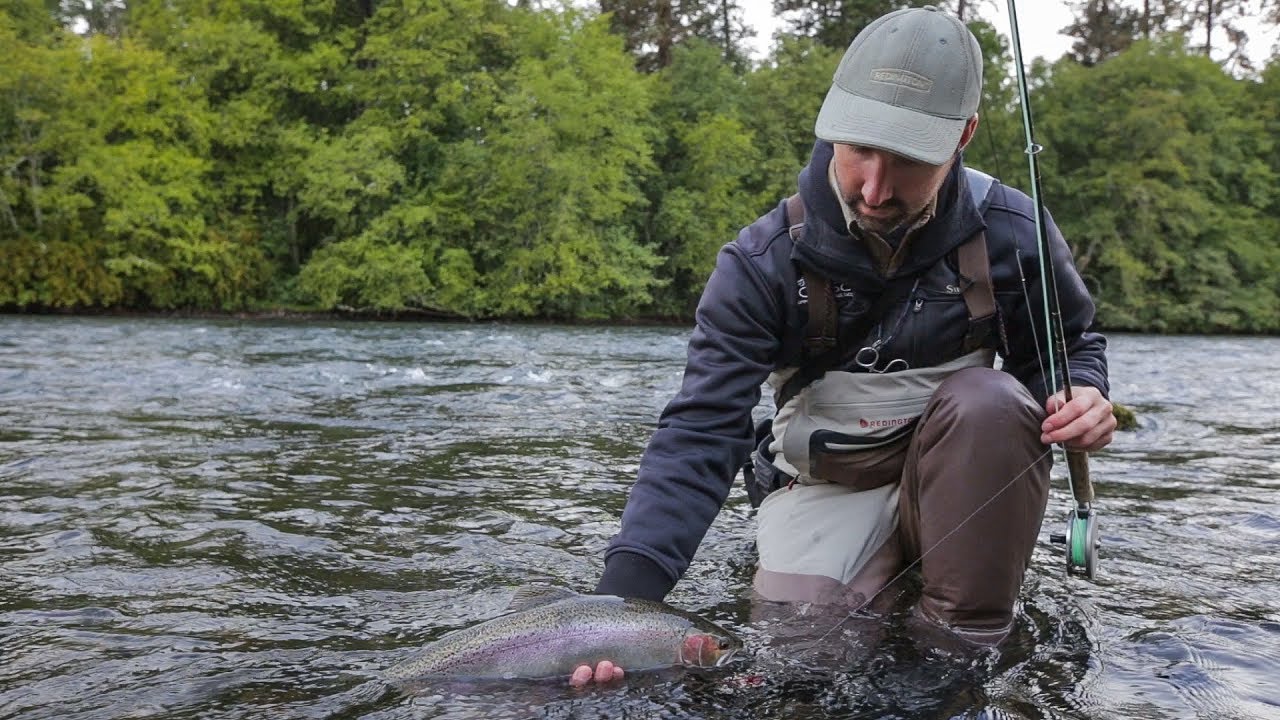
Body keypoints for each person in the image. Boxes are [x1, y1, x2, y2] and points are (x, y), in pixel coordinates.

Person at [570, 4, 1115, 687]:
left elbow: (1067, 351)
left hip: (964, 480)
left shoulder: (1012, 232)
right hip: (826, 487)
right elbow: (702, 434)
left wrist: (1087, 395)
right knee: (800, 671)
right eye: (858, 148)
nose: (875, 187)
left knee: (992, 405)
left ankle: (957, 644)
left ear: (964, 134)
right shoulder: (763, 262)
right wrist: (624, 606)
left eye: (909, 157)